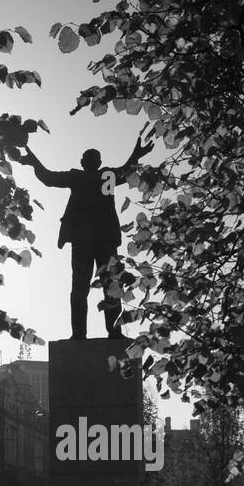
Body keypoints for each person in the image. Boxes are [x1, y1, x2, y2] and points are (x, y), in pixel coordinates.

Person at [22, 132, 153, 339]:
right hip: (94, 240)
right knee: (99, 287)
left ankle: (92, 334)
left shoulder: (95, 177)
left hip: (93, 240)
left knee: (95, 287)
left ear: (87, 163)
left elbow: (48, 178)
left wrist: (33, 161)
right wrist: (137, 154)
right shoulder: (99, 176)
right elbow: (127, 171)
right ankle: (93, 334)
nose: (91, 162)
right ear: (93, 162)